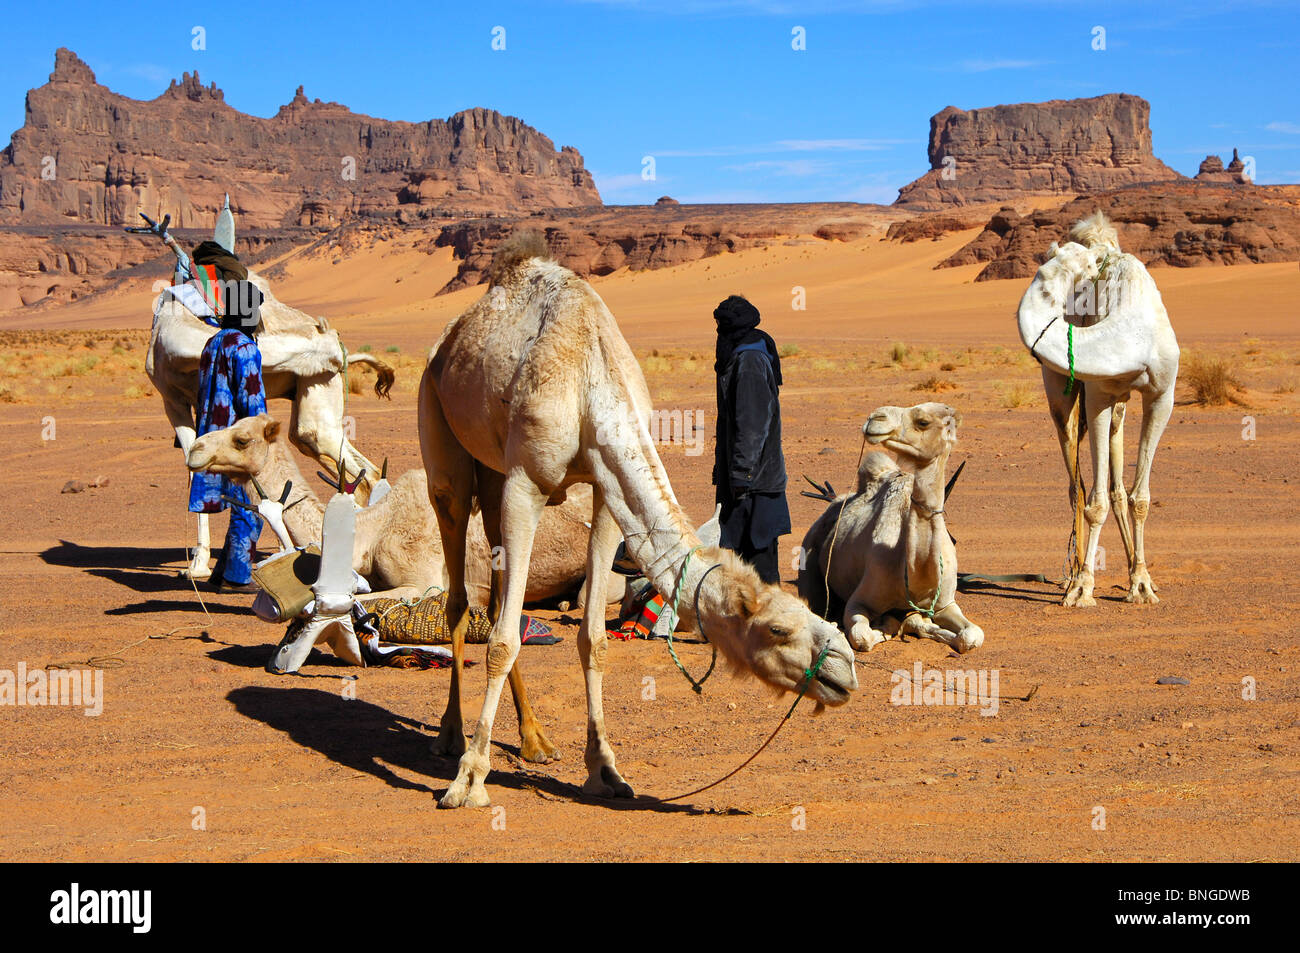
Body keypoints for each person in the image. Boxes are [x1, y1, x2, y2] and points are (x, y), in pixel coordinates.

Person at [189, 277, 268, 592]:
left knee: (239, 505)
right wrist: (263, 437)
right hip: (238, 442)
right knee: (251, 505)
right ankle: (237, 578)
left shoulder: (214, 341)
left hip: (212, 437)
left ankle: (220, 574)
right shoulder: (245, 347)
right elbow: (252, 401)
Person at [712, 294, 790, 584]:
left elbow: (752, 425)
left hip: (754, 483)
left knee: (760, 566)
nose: (719, 333)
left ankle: (772, 626)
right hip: (742, 478)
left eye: (722, 327)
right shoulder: (742, 354)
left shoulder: (749, 361)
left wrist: (741, 475)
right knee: (737, 565)